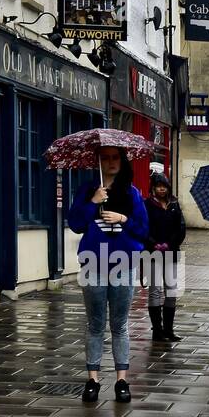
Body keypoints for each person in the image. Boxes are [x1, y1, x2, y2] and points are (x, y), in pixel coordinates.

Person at [66, 146, 148, 403]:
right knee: (95, 324)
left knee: (120, 325)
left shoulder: (132, 193)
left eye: (115, 158)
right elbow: (76, 223)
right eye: (105, 158)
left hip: (123, 264)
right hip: (93, 265)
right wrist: (93, 202)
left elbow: (143, 230)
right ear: (98, 162)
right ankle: (93, 380)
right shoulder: (89, 191)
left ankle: (121, 380)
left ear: (122, 162)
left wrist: (123, 218)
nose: (111, 163)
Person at [142, 172, 186, 342]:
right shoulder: (147, 205)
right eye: (158, 185)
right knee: (154, 291)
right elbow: (144, 228)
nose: (162, 189)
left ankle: (168, 329)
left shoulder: (174, 204)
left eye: (164, 186)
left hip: (171, 253)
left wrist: (169, 244)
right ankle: (157, 330)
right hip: (153, 253)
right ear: (153, 187)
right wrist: (154, 244)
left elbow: (180, 228)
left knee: (171, 290)